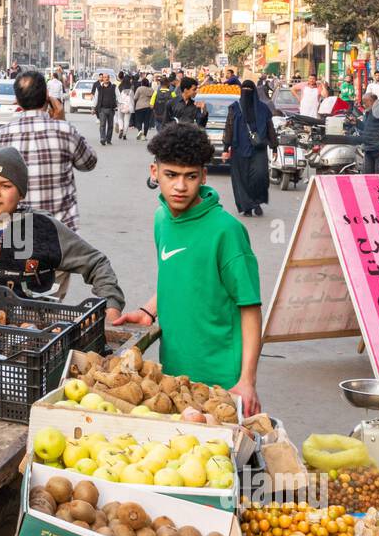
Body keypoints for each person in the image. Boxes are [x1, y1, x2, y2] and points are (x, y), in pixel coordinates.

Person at [113, 123, 263, 414]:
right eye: (171, 175)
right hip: (174, 374)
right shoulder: (161, 220)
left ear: (203, 176)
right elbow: (179, 274)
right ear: (154, 173)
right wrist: (148, 311)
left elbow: (250, 307)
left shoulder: (226, 232)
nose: (180, 187)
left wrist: (247, 380)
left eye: (190, 177)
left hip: (222, 379)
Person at [0, 148, 125, 320]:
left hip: (32, 332)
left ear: (21, 193)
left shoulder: (45, 227)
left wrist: (112, 304)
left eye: (5, 186)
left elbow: (95, 263)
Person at [0, 70, 97, 232]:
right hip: (62, 234)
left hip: (18, 233)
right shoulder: (65, 131)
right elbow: (88, 163)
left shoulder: (0, 136)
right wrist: (62, 122)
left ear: (17, 101)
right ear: (47, 96)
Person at [222, 79, 278, 217]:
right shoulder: (234, 107)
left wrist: (274, 147)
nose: (247, 92)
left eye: (249, 89)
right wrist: (225, 148)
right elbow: (229, 127)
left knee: (260, 176)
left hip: (258, 148)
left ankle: (257, 202)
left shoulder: (263, 108)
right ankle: (247, 206)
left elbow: (270, 128)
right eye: (244, 89)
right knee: (242, 178)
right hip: (239, 148)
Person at [91, 71, 117, 145]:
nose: (106, 79)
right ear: (103, 79)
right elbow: (95, 98)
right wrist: (93, 108)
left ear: (109, 78)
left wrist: (120, 105)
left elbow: (118, 97)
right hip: (102, 109)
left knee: (110, 125)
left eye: (108, 77)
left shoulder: (114, 87)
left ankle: (108, 139)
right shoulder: (99, 88)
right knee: (102, 124)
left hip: (111, 109)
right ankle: (102, 138)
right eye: (105, 77)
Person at [131, 73, 154, 140]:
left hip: (139, 107)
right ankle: (145, 135)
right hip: (148, 107)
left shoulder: (139, 89)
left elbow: (135, 98)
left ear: (142, 83)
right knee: (146, 121)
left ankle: (140, 132)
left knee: (139, 121)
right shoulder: (151, 90)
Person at [116, 74, 134, 141]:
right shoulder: (132, 88)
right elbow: (133, 98)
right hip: (129, 106)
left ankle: (121, 128)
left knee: (120, 118)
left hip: (121, 105)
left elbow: (117, 96)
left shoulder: (120, 86)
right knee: (127, 121)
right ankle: (124, 135)